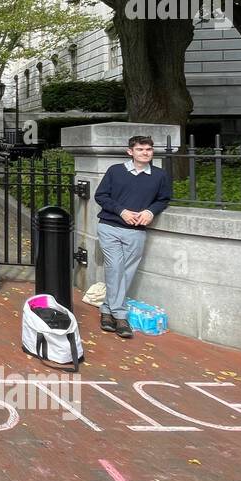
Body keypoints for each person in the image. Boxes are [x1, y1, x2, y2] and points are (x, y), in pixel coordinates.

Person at [93, 134, 172, 339]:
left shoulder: (159, 175)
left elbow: (163, 199)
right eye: (140, 149)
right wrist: (121, 211)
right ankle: (120, 316)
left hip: (136, 231)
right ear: (130, 152)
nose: (145, 153)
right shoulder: (115, 171)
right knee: (115, 267)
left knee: (127, 271)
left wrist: (150, 212)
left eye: (149, 150)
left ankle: (107, 310)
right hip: (110, 227)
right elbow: (100, 196)